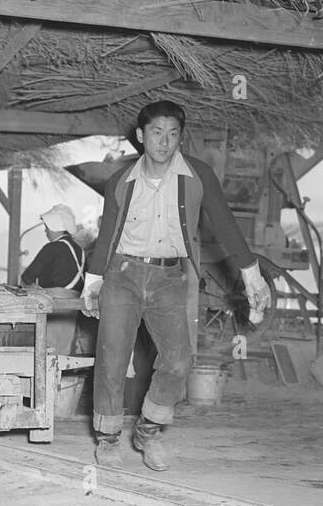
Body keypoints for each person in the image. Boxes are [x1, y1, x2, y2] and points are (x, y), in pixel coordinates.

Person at [82, 101, 270, 471]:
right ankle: (107, 438)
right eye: (156, 133)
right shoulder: (121, 181)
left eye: (172, 134)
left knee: (179, 359)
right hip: (122, 274)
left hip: (169, 276)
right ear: (141, 136)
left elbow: (224, 224)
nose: (164, 142)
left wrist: (252, 274)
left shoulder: (198, 176)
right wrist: (93, 282)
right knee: (112, 357)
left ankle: (148, 430)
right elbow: (107, 234)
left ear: (180, 137)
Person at [21, 204, 85, 291]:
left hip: (53, 301)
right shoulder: (80, 250)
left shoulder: (51, 248)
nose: (45, 231)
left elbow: (27, 278)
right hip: (76, 300)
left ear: (54, 227)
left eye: (46, 227)